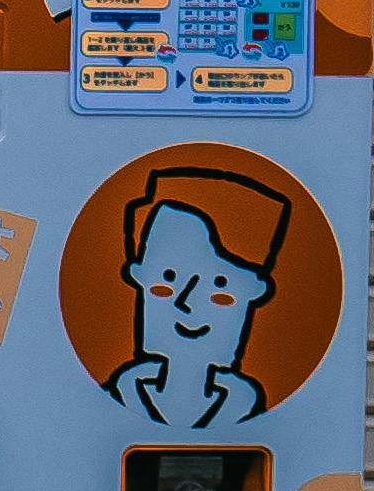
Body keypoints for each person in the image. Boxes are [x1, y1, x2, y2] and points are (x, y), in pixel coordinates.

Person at [107, 159, 294, 431]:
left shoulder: (249, 411)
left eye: (220, 292)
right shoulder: (119, 395)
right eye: (166, 282)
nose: (187, 303)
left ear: (252, 296)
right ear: (140, 281)